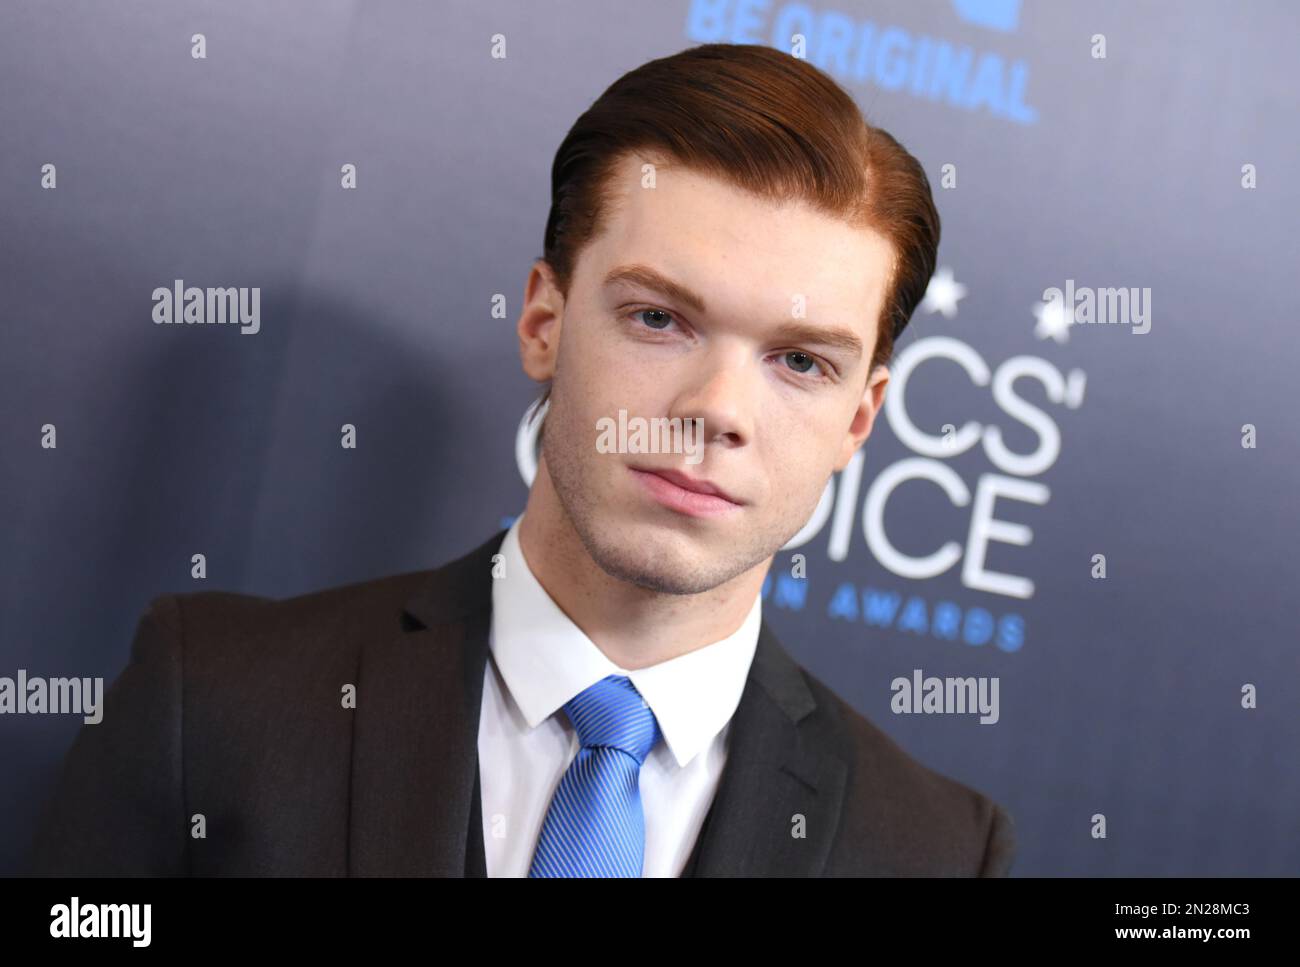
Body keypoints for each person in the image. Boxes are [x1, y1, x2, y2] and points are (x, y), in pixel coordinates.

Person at [30, 43, 1015, 877]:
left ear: (858, 419)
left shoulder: (939, 851)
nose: (714, 410)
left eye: (800, 361)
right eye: (659, 318)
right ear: (544, 321)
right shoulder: (212, 701)